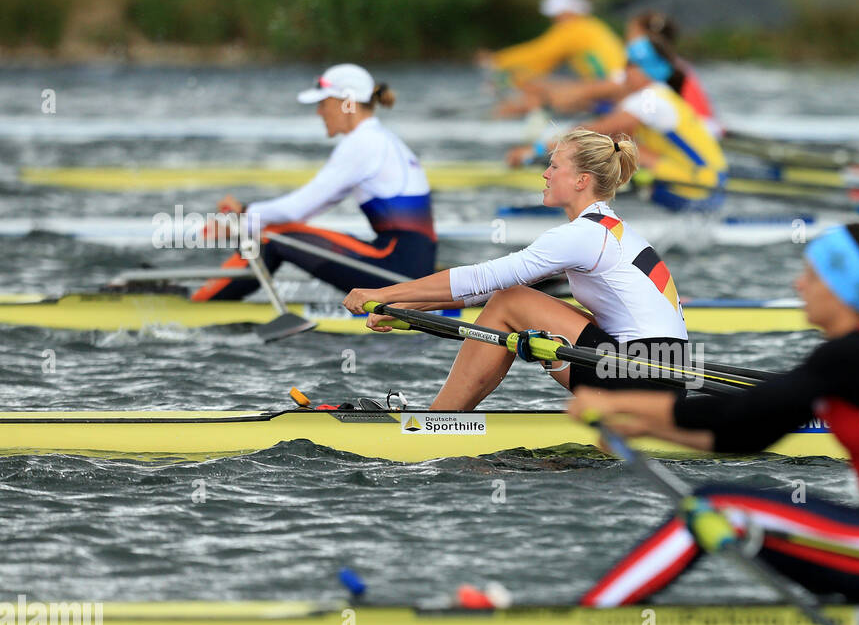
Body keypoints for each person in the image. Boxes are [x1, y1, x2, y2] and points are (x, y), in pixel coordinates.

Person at [567, 215, 859, 606]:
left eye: (811, 276)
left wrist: (621, 404)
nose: (800, 285)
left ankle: (588, 620)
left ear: (838, 286)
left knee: (717, 508)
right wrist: (640, 424)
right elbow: (745, 435)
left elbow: (746, 414)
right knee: (722, 503)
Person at [341, 129, 688, 410]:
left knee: (511, 300)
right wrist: (409, 310)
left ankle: (439, 422)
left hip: (641, 380)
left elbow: (484, 279)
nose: (545, 173)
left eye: (554, 166)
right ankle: (445, 418)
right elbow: (481, 289)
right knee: (516, 300)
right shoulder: (612, 229)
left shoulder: (583, 235)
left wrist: (383, 294)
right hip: (660, 371)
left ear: (582, 180)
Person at [193, 64, 436, 302]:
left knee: (273, 236)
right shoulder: (381, 139)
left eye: (323, 103)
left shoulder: (363, 143)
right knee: (275, 229)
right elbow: (305, 210)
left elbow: (295, 209)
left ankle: (201, 302)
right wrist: (246, 219)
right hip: (409, 266)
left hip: (396, 269)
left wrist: (242, 219)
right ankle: (213, 294)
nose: (319, 112)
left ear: (347, 102)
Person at [507, 37, 727, 211]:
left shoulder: (651, 100)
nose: (624, 71)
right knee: (617, 145)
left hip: (699, 186)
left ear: (646, 69)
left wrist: (533, 150)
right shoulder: (655, 95)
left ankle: (580, 201)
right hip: (703, 179)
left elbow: (590, 132)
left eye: (630, 65)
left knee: (607, 146)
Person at [535, 11, 721, 136]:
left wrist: (545, 98)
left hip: (693, 132)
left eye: (631, 34)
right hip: (703, 126)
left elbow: (592, 90)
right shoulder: (671, 64)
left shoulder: (643, 67)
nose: (626, 40)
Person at [483, 0, 627, 118]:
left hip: (613, 85)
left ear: (568, 12)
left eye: (557, 14)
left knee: (535, 88)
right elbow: (543, 61)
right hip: (614, 82)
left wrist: (497, 60)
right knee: (533, 85)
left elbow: (539, 53)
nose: (553, 19)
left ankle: (505, 118)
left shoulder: (574, 29)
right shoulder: (590, 26)